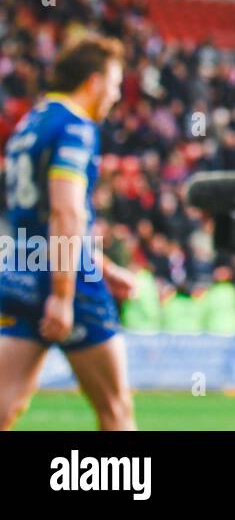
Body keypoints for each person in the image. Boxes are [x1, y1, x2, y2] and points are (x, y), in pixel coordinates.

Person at [0, 33, 138, 430]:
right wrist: (63, 294)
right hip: (69, 278)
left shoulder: (32, 122)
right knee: (116, 412)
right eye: (113, 86)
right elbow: (64, 209)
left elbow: (42, 217)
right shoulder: (76, 126)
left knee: (4, 407)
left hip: (23, 268)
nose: (114, 97)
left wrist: (104, 265)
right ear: (93, 82)